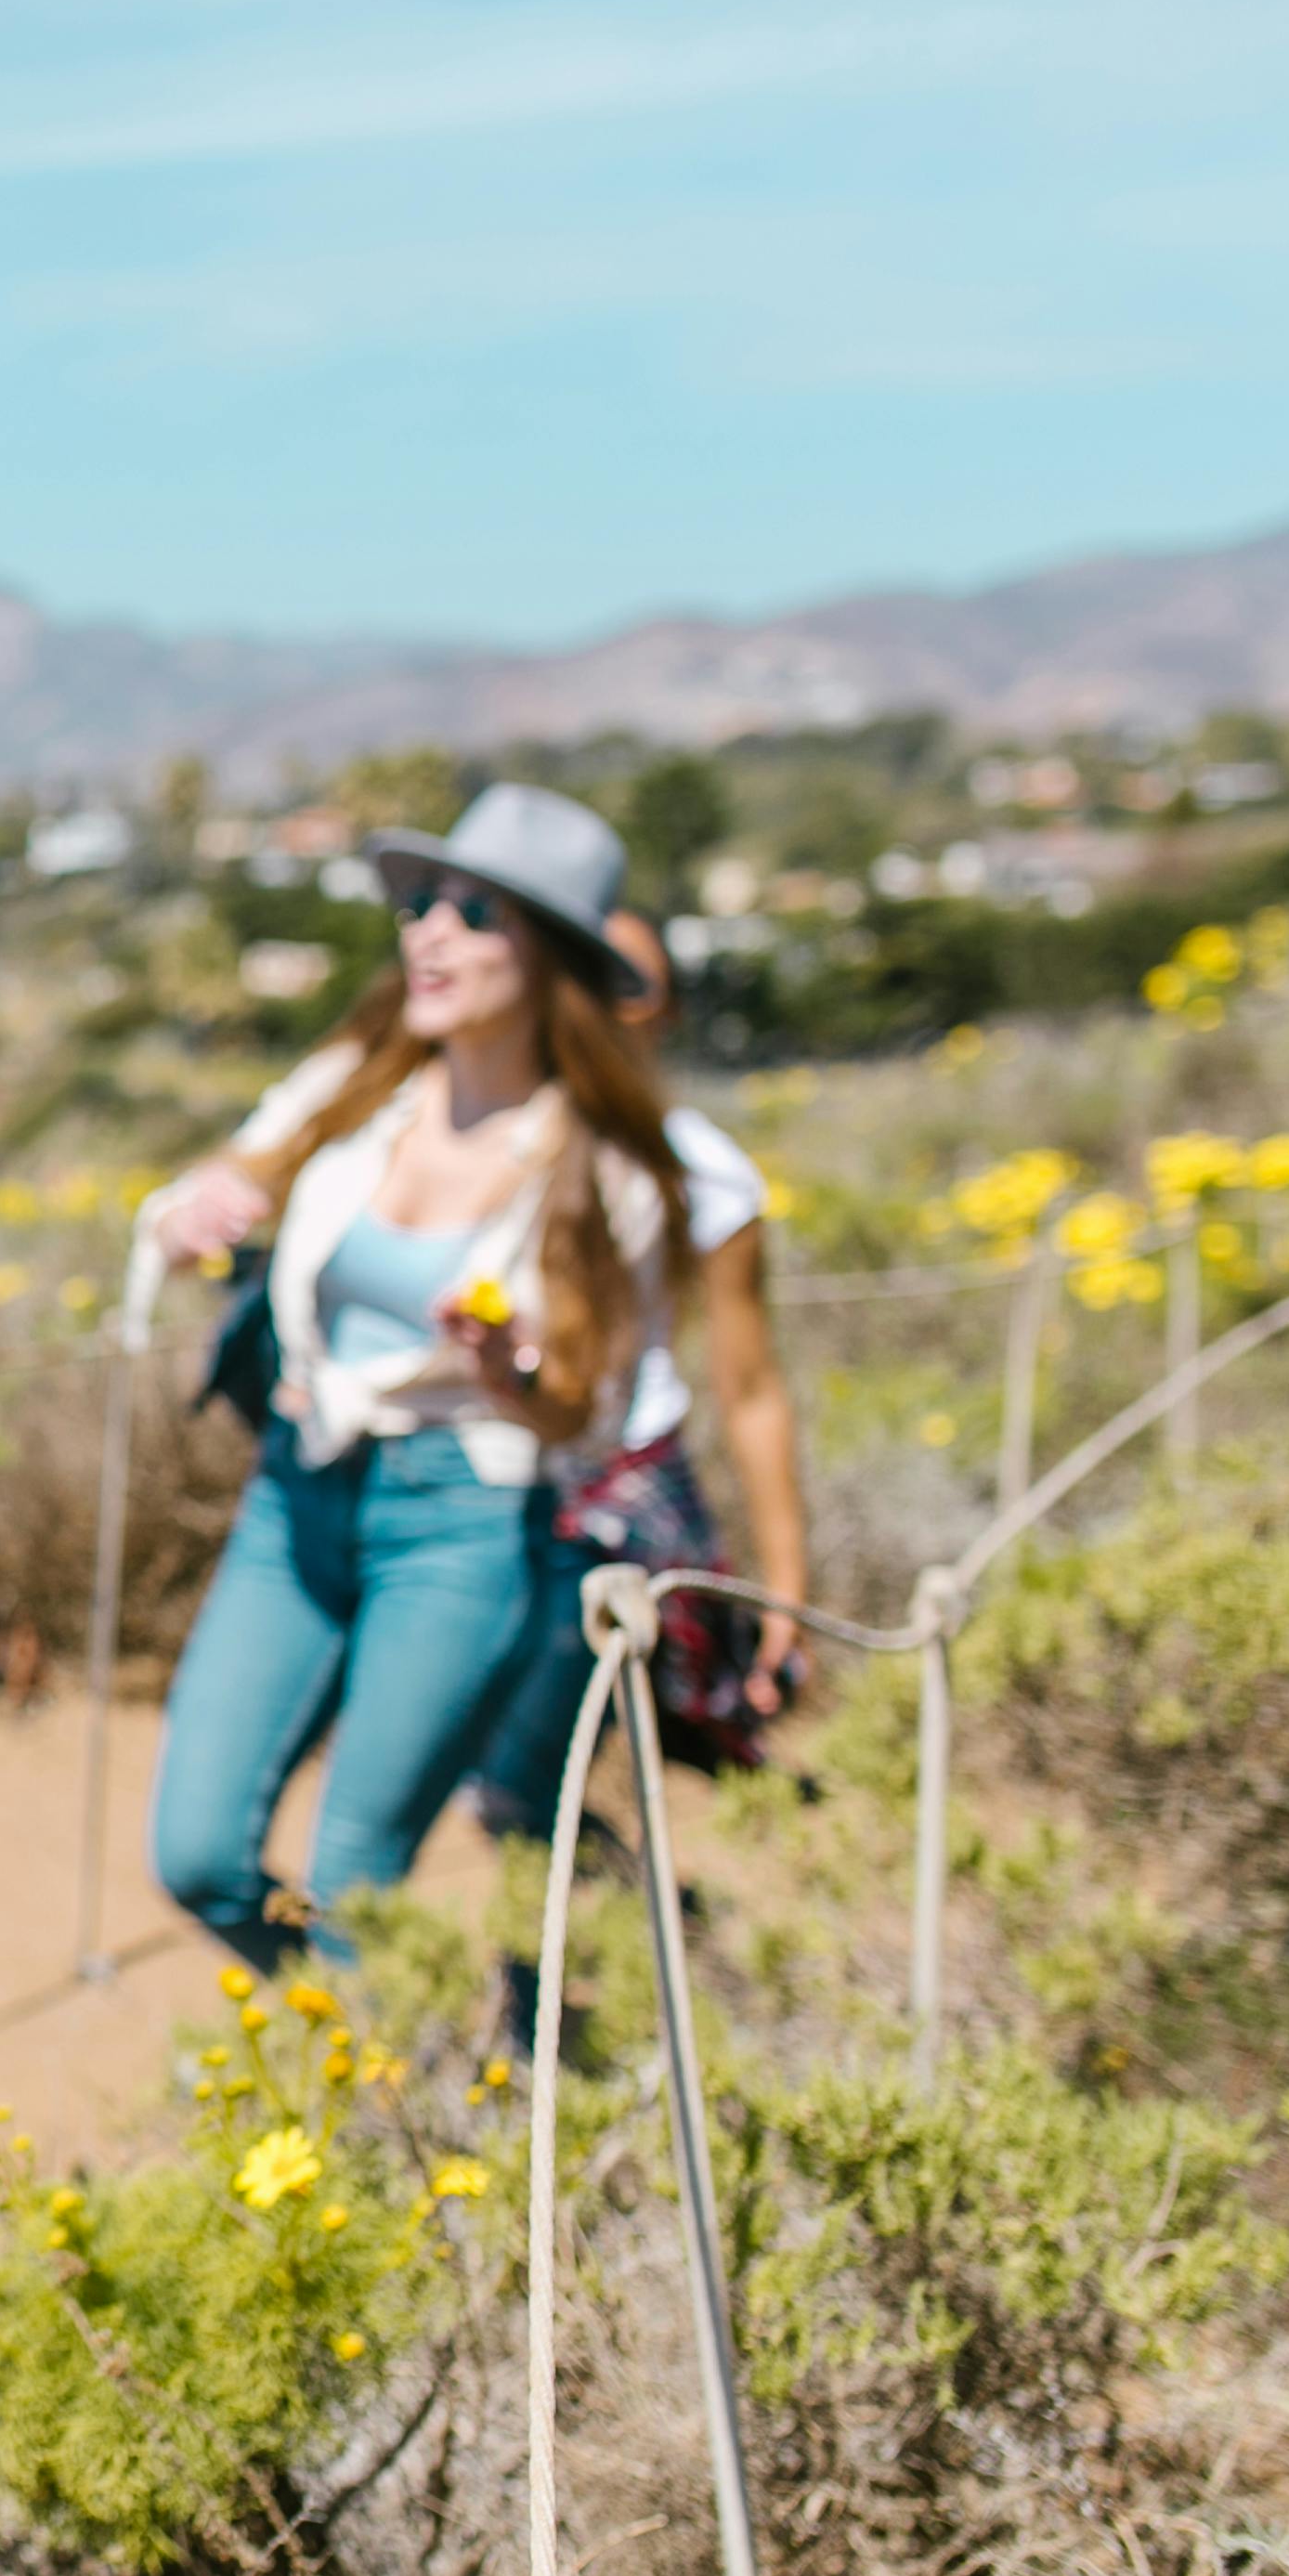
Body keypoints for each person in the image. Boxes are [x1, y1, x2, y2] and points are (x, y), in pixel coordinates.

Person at [137, 785, 687, 1969]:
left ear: (549, 959)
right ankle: (359, 2049)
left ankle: (365, 2118)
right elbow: (224, 1176)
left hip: (463, 1520)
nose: (427, 932)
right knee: (194, 1852)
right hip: (299, 1493)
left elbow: (586, 1414)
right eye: (423, 903)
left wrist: (510, 1373)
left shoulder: (609, 1174)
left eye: (474, 913)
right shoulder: (359, 1088)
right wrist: (194, 1213)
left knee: (354, 1889)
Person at [465, 904, 810, 1833]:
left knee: (517, 1786)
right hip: (470, 1498)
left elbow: (751, 1389)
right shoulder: (470, 1138)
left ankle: (612, 1945)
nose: (609, 1000)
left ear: (667, 1012)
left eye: (635, 980)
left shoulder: (703, 1172)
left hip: (611, 1514)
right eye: (585, 973)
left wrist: (785, 1588)